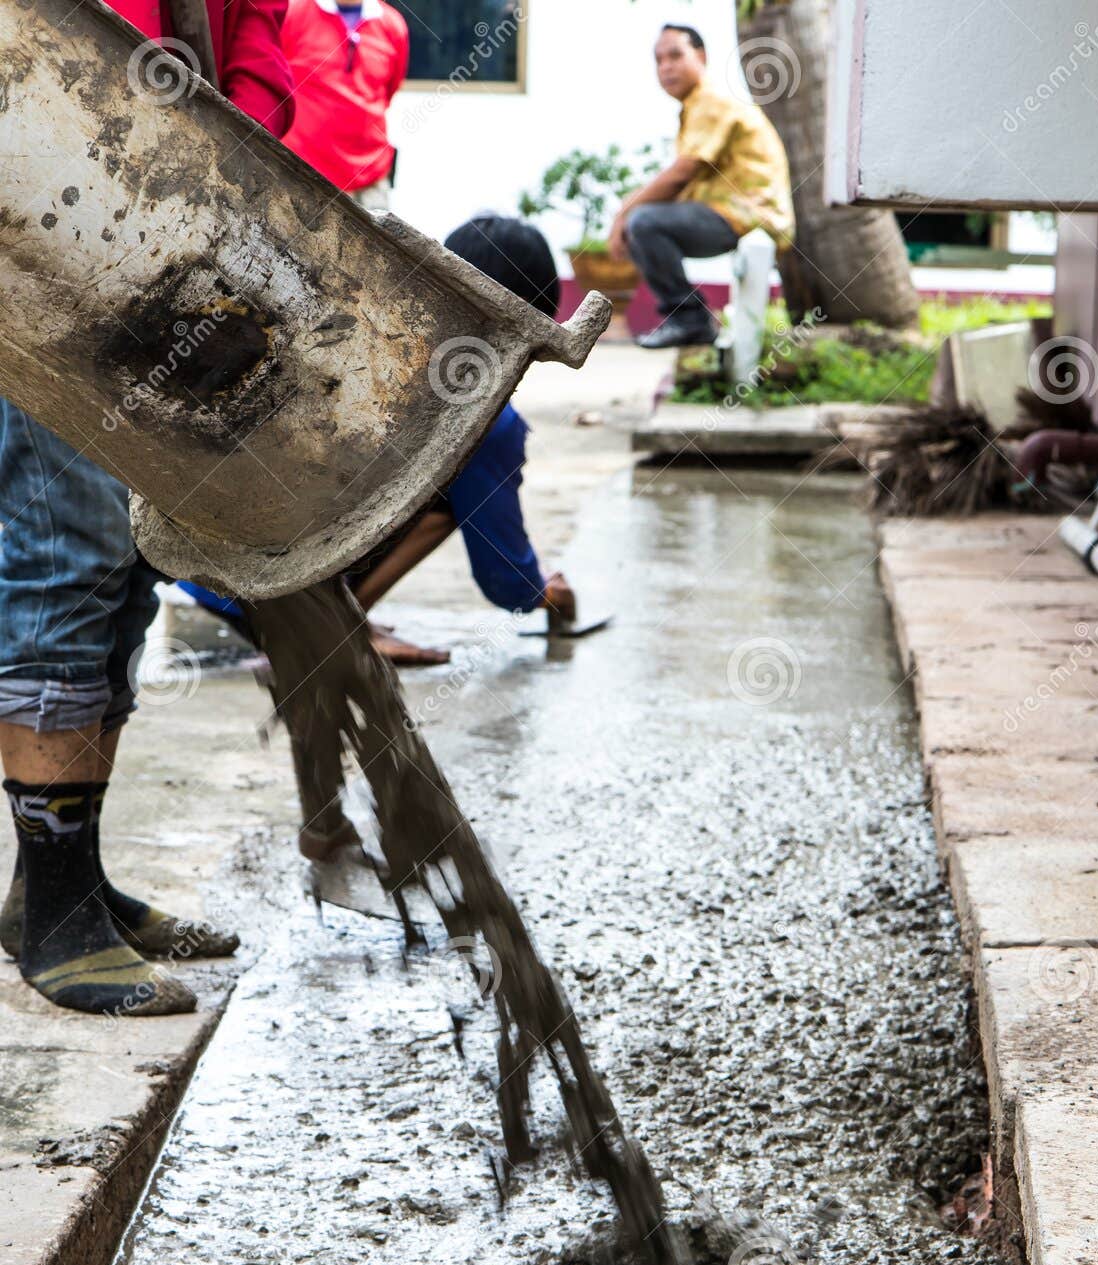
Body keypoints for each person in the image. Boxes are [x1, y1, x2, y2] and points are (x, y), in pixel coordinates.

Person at [0, 2, 294, 1018]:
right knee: (67, 550)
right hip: (40, 216)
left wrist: (228, 145)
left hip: (174, 221)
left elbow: (258, 21)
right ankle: (57, 922)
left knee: (127, 566)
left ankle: (57, 881)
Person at [344, 215, 578, 665]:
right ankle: (341, 627)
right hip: (284, 596)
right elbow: (502, 574)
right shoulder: (486, 420)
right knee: (450, 502)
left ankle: (339, 615)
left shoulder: (378, 342)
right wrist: (545, 592)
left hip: (223, 575)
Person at [608, 23, 795, 350]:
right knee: (644, 222)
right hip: (733, 215)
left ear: (701, 56)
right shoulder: (695, 106)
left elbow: (681, 174)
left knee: (643, 222)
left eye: (676, 55)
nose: (666, 67)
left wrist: (623, 213)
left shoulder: (710, 100)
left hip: (750, 215)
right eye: (659, 59)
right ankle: (691, 318)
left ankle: (690, 319)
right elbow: (684, 183)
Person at [278, 0, 410, 212]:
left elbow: (389, 90)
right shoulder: (292, 12)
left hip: (371, 182)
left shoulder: (392, 25)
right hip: (301, 176)